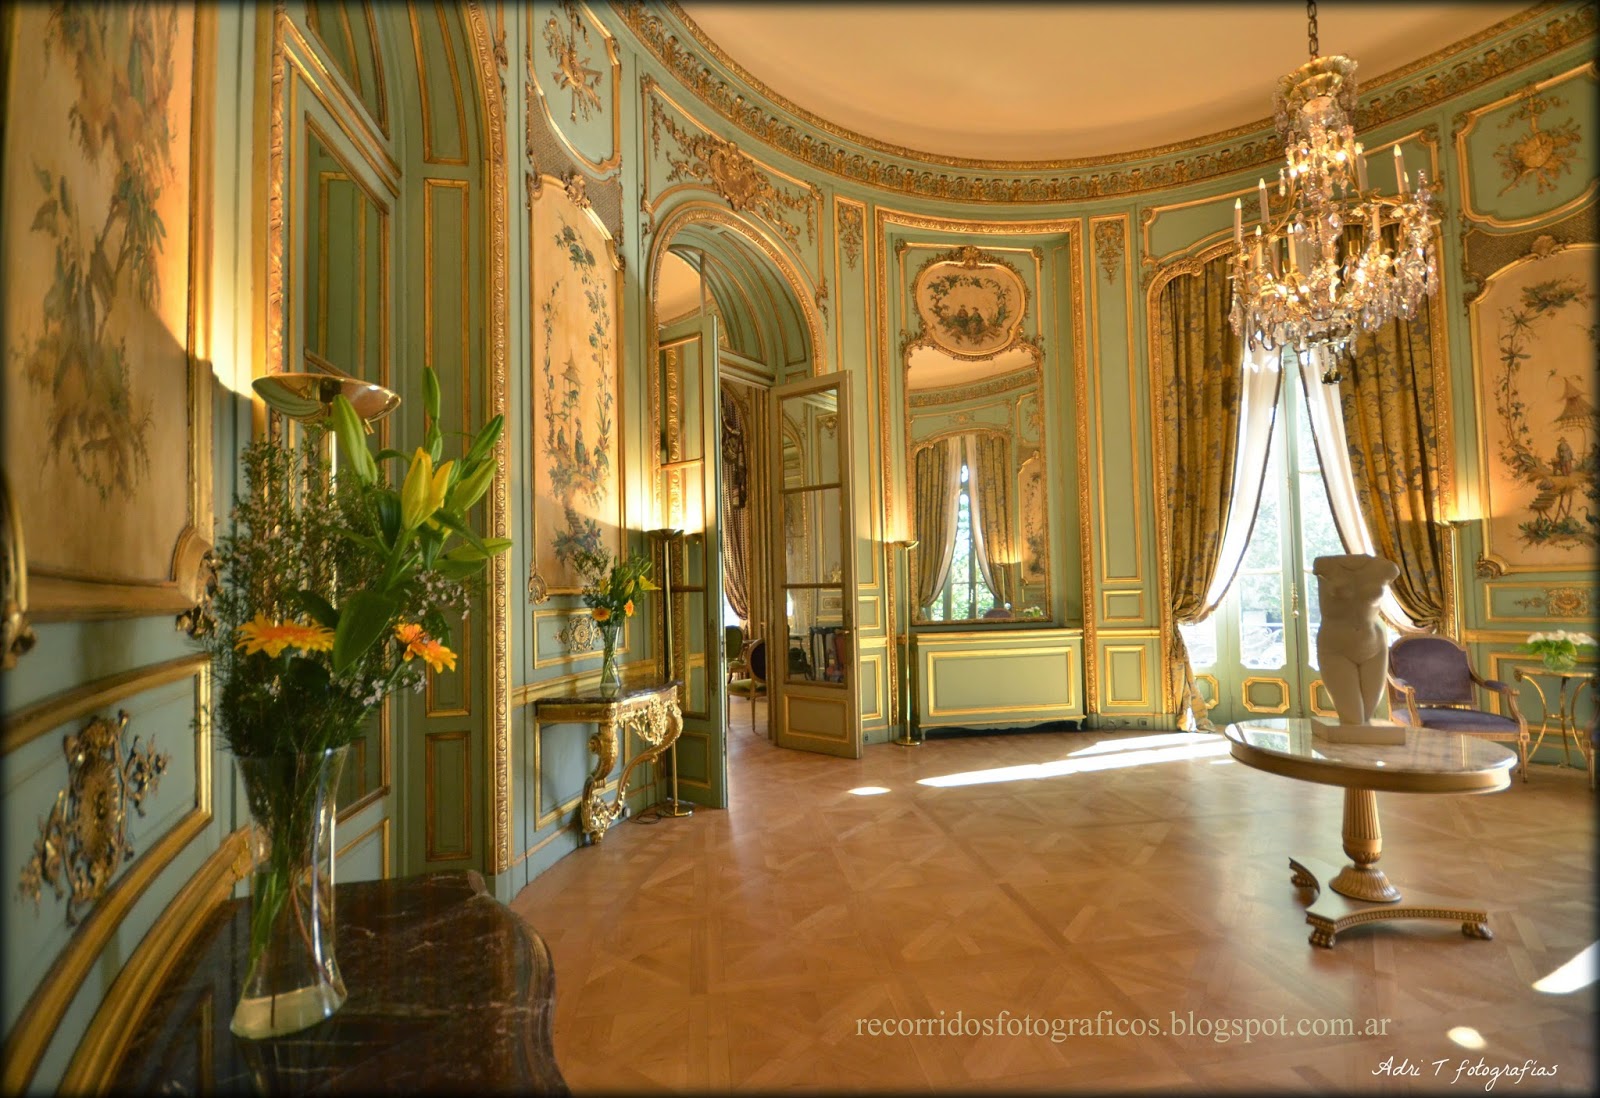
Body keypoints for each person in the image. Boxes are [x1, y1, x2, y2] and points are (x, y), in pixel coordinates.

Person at [1313, 554, 1400, 726]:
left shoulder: (1386, 568)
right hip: (1335, 648)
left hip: (1374, 647)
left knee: (1365, 717)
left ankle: (1363, 754)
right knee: (1353, 718)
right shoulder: (1324, 565)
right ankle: (1345, 753)